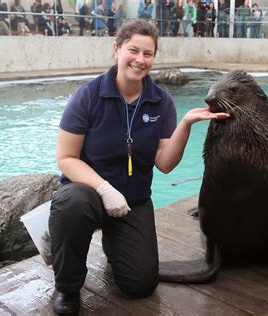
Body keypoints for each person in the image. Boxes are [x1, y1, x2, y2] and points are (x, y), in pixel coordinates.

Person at [49, 19, 229, 315]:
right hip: (89, 195)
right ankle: (67, 287)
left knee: (140, 284)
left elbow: (166, 164)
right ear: (116, 49)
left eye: (148, 54)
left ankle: (114, 243)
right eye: (133, 50)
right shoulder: (88, 96)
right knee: (71, 204)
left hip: (133, 202)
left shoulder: (161, 102)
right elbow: (66, 158)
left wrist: (185, 124)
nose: (140, 60)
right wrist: (105, 190)